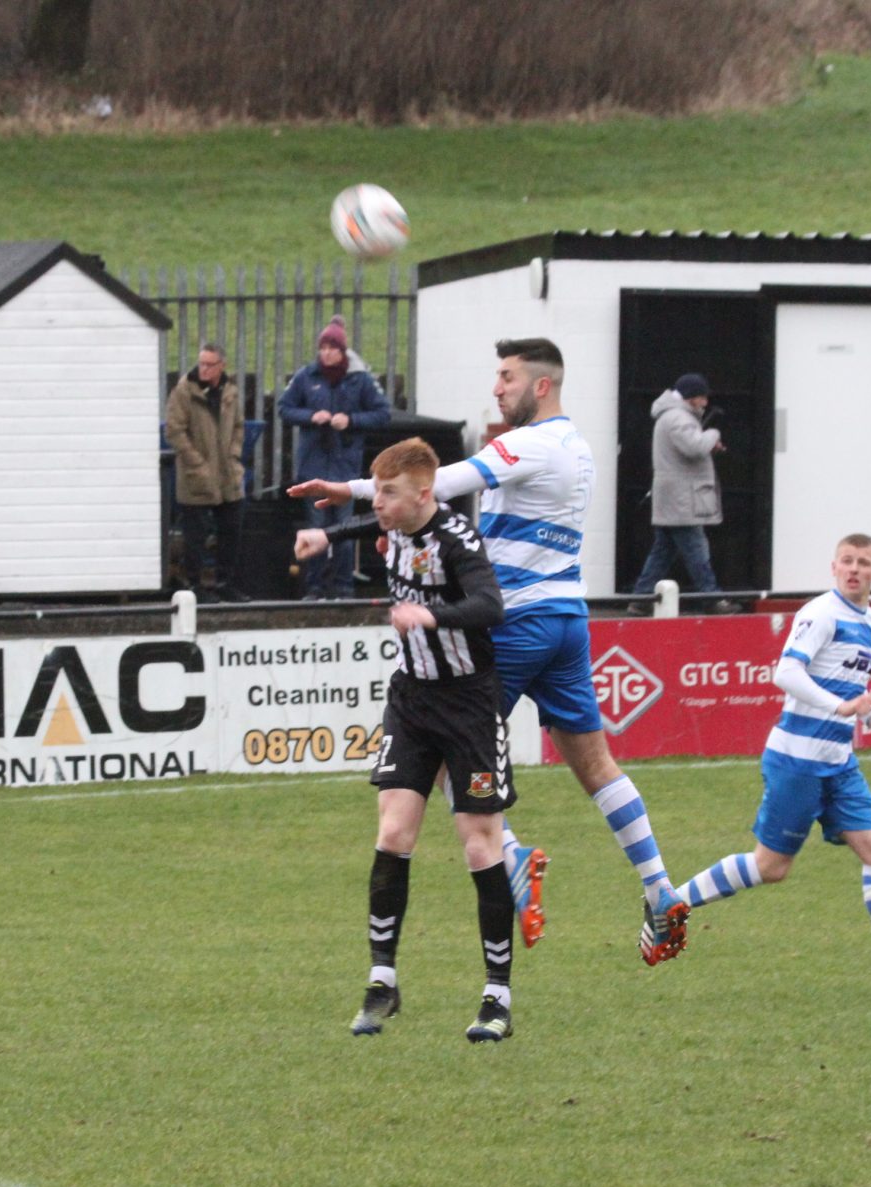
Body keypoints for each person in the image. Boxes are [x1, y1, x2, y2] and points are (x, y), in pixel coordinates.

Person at [292, 338, 691, 966]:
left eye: (506, 377)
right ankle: (660, 888)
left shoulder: (525, 443)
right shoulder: (578, 448)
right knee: (597, 767)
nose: (497, 388)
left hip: (514, 623)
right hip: (567, 621)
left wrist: (351, 489)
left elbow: (437, 484)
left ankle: (514, 856)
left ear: (541, 385)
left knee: (444, 750)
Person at [293, 438, 518, 1042]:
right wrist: (327, 537)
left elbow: (491, 606)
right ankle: (382, 983)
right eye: (378, 491)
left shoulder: (457, 541)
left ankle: (497, 996)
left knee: (479, 845)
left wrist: (432, 617)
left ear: (426, 493)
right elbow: (373, 513)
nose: (380, 503)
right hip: (412, 700)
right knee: (393, 832)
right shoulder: (395, 523)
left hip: (469, 703)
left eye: (390, 493)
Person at [672, 534, 871, 996]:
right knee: (771, 867)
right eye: (847, 561)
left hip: (839, 763)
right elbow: (785, 672)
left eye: (864, 563)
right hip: (797, 761)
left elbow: (850, 686)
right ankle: (671, 904)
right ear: (834, 566)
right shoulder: (821, 613)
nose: (854, 569)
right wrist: (840, 708)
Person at [279, 320, 390, 599]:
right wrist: (310, 417)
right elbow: (284, 408)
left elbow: (382, 414)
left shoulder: (360, 379)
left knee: (343, 531)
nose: (327, 353)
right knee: (315, 528)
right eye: (323, 348)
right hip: (313, 467)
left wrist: (351, 421)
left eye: (332, 348)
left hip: (345, 468)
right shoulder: (306, 376)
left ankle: (343, 587)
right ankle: (314, 587)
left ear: (343, 351)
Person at [629, 372, 740, 615]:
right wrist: (713, 434)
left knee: (662, 552)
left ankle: (641, 598)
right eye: (702, 398)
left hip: (673, 499)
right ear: (691, 397)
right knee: (697, 550)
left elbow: (689, 446)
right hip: (682, 500)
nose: (705, 403)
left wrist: (705, 439)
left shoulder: (670, 417)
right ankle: (711, 598)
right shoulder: (679, 418)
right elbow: (694, 447)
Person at [164, 342, 249, 602]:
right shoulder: (184, 392)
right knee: (196, 536)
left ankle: (225, 583)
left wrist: (234, 454)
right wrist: (196, 463)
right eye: (201, 363)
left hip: (227, 475)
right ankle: (195, 586)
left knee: (231, 530)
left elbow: (238, 426)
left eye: (209, 364)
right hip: (196, 477)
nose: (204, 368)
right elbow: (174, 431)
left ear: (221, 366)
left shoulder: (230, 391)